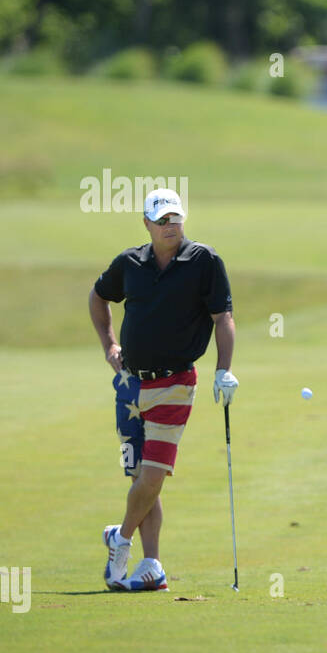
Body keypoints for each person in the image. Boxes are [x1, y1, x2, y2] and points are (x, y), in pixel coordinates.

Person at [88, 188, 237, 592]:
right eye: (162, 220)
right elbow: (98, 297)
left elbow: (222, 317)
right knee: (140, 477)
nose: (170, 225)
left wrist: (223, 370)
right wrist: (109, 346)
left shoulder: (204, 261)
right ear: (147, 224)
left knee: (153, 475)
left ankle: (120, 539)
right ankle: (151, 565)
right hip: (129, 384)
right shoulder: (130, 263)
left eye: (175, 218)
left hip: (175, 383)